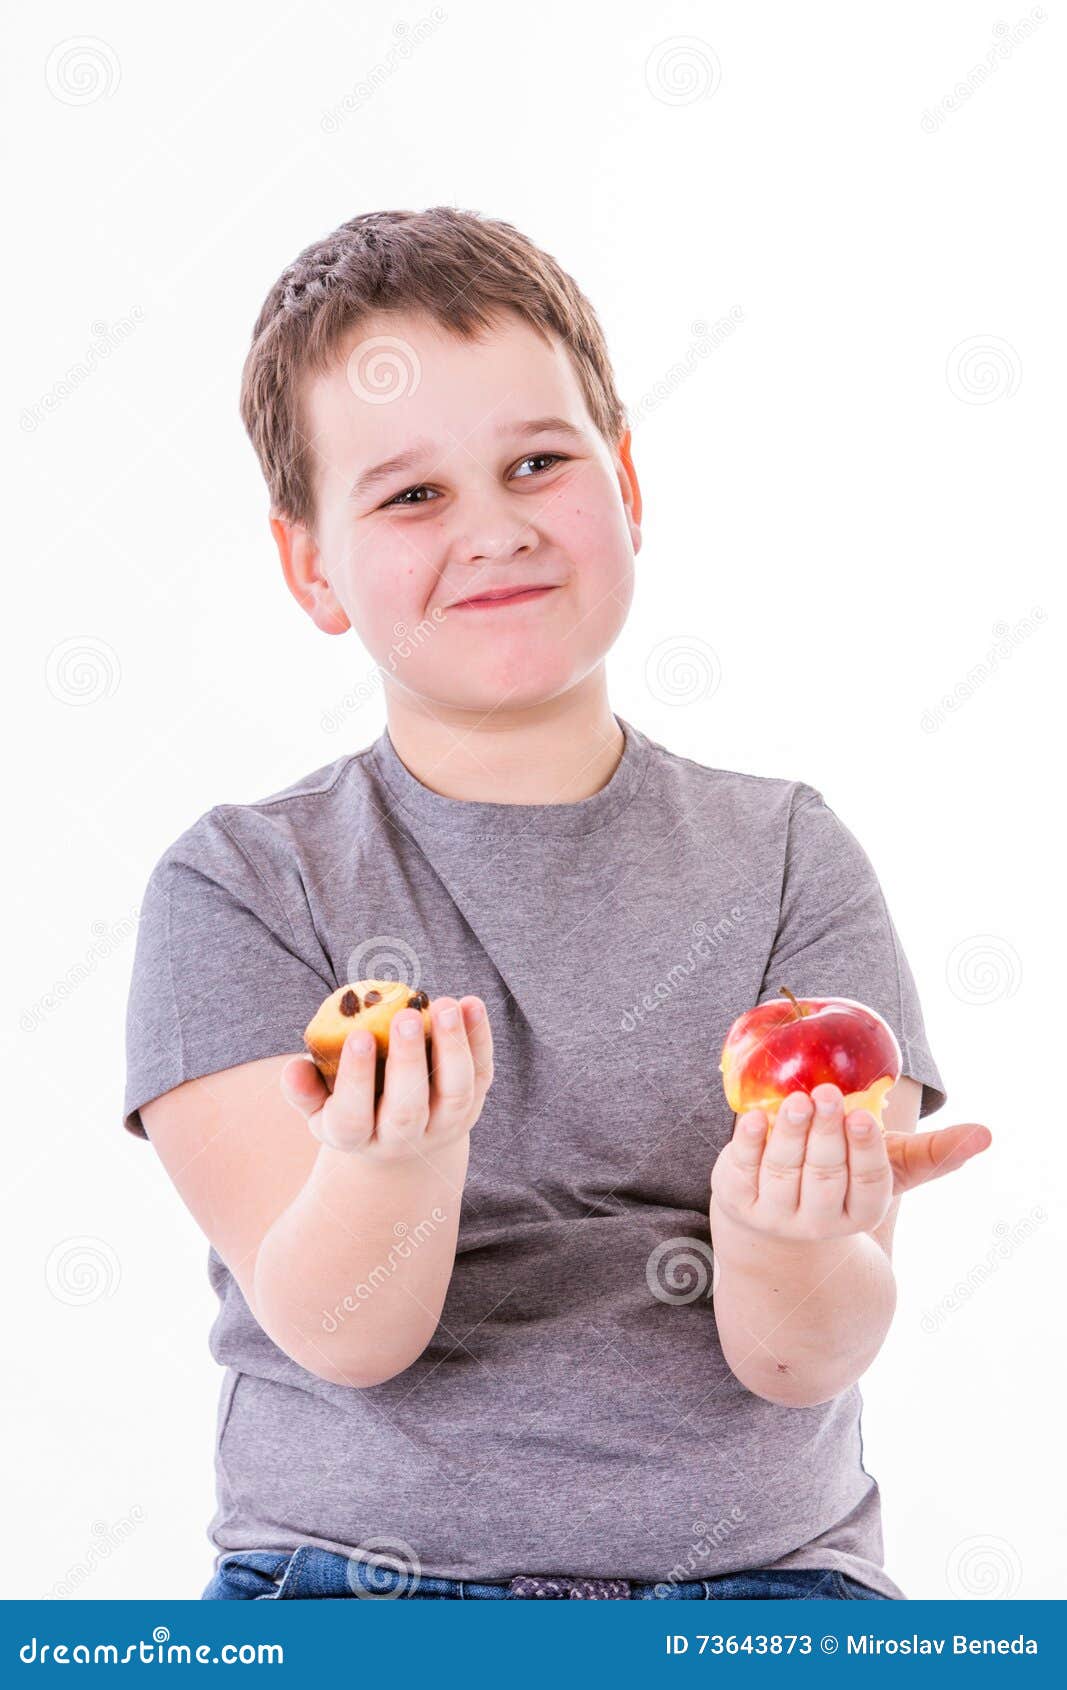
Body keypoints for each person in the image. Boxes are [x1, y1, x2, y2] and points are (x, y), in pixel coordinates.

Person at [122, 207, 991, 1603]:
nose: (498, 527)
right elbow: (346, 1333)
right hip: (341, 1592)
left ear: (627, 482)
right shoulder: (243, 884)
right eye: (411, 497)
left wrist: (788, 1237)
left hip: (763, 1593)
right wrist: (394, 1162)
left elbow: (805, 1354)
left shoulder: (787, 855)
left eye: (539, 460)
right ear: (310, 567)